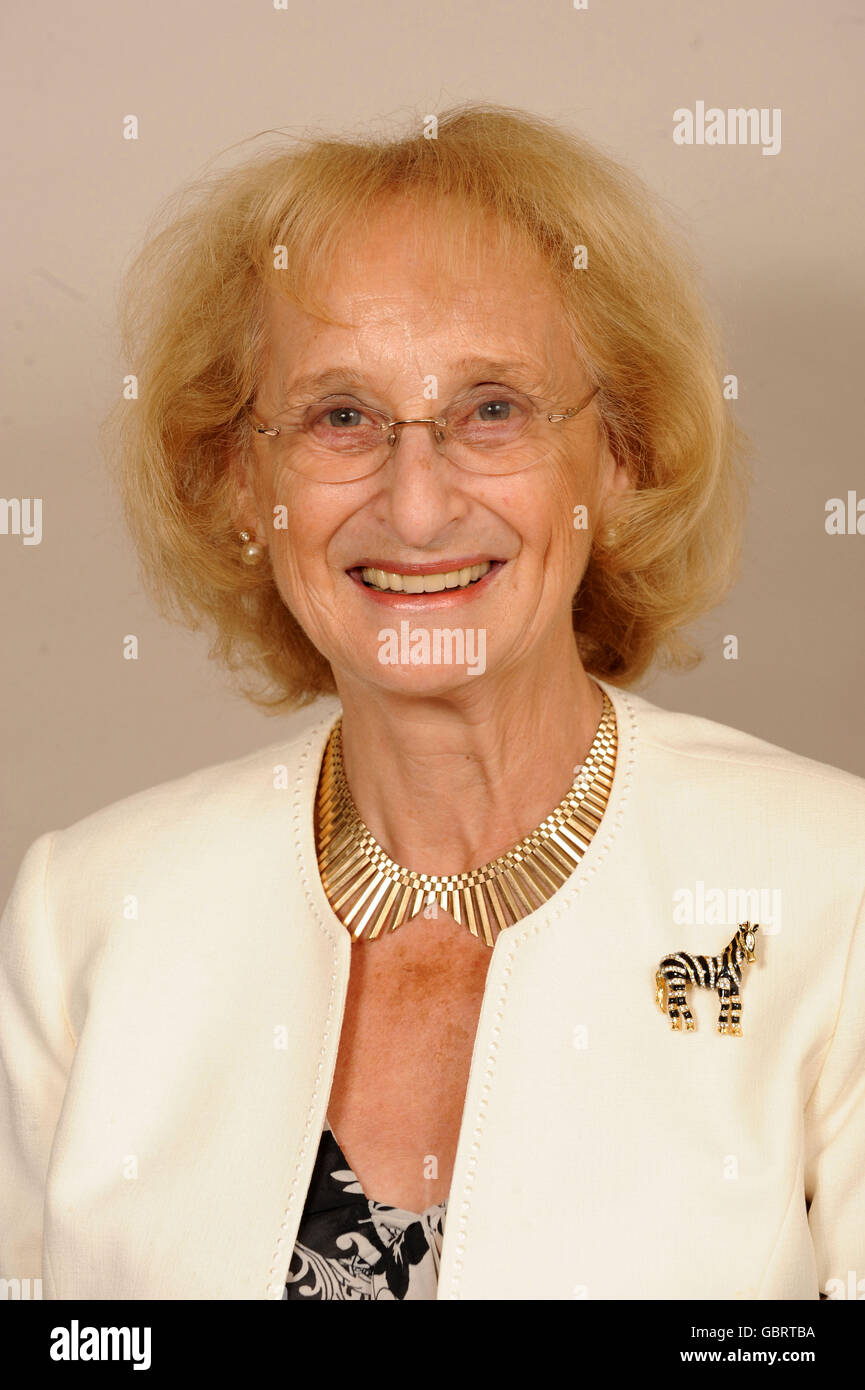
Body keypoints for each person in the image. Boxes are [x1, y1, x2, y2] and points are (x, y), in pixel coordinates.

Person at [1, 104, 863, 1301]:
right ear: (242, 484)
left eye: (492, 409)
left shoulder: (834, 896)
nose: (415, 506)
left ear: (619, 458)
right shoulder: (86, 918)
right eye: (338, 417)